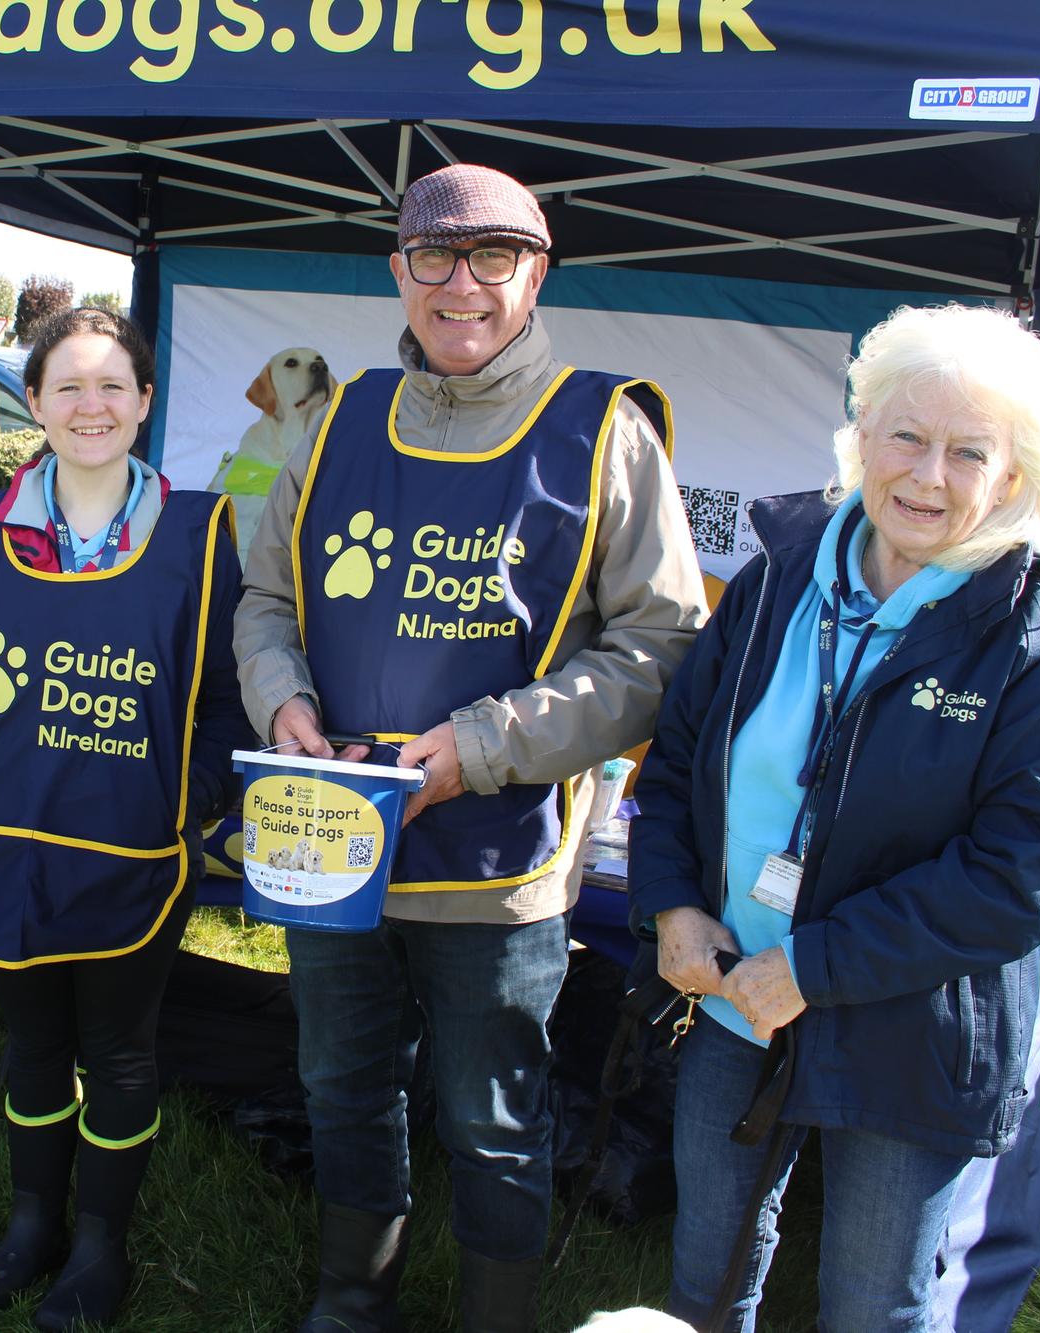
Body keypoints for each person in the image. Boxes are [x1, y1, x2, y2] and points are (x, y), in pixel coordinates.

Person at [233, 163, 708, 1332]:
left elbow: (659, 646)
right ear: (397, 272)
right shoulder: (334, 419)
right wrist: (279, 702)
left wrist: (481, 745)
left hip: (500, 860)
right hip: (333, 834)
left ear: (533, 273)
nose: (460, 285)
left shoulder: (605, 430)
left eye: (491, 257)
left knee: (493, 1114)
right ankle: (352, 1300)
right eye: (433, 258)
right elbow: (262, 598)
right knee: (341, 1084)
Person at [627, 303, 1040, 1332]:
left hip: (912, 1031)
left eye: (965, 451)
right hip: (727, 994)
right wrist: (672, 905)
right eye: (905, 435)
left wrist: (808, 966)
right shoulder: (771, 584)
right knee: (702, 1281)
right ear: (859, 440)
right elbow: (674, 764)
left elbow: (1020, 873)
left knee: (872, 1307)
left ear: (1011, 475)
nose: (926, 475)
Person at [0, 307, 253, 1331]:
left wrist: (185, 799)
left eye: (112, 385)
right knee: (27, 1042)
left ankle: (99, 1244)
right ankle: (31, 1226)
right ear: (34, 403)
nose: (90, 405)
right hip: (2, 837)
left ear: (145, 403)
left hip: (129, 849)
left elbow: (228, 696)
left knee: (117, 1047)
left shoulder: (199, 533)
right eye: (68, 385)